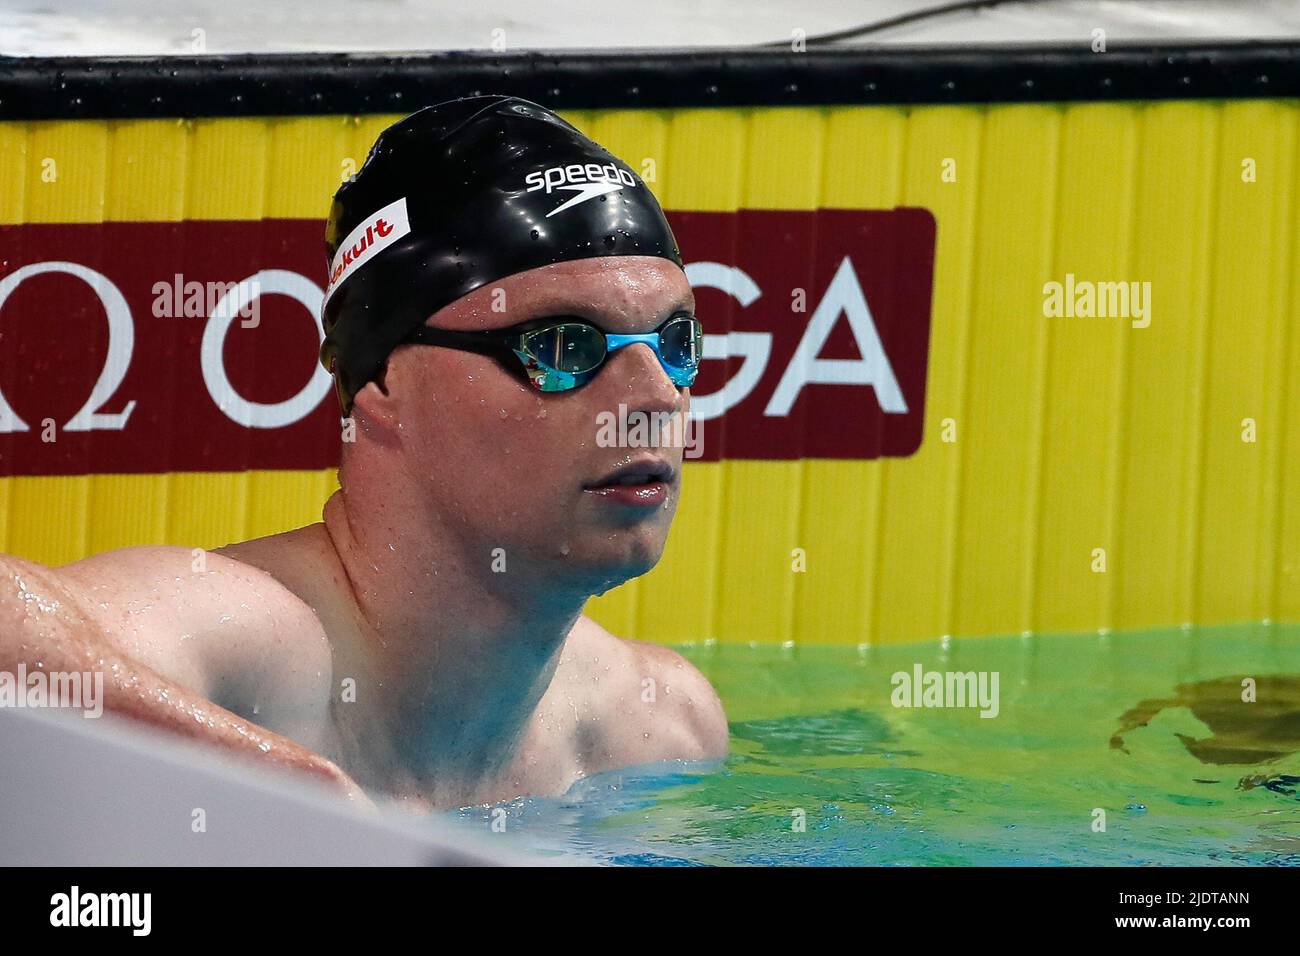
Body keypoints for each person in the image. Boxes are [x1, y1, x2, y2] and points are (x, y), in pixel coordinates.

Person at [0, 95, 728, 811]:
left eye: (673, 343)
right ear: (381, 383)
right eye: (562, 346)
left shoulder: (660, 732)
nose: (657, 398)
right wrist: (282, 781)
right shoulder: (237, 648)